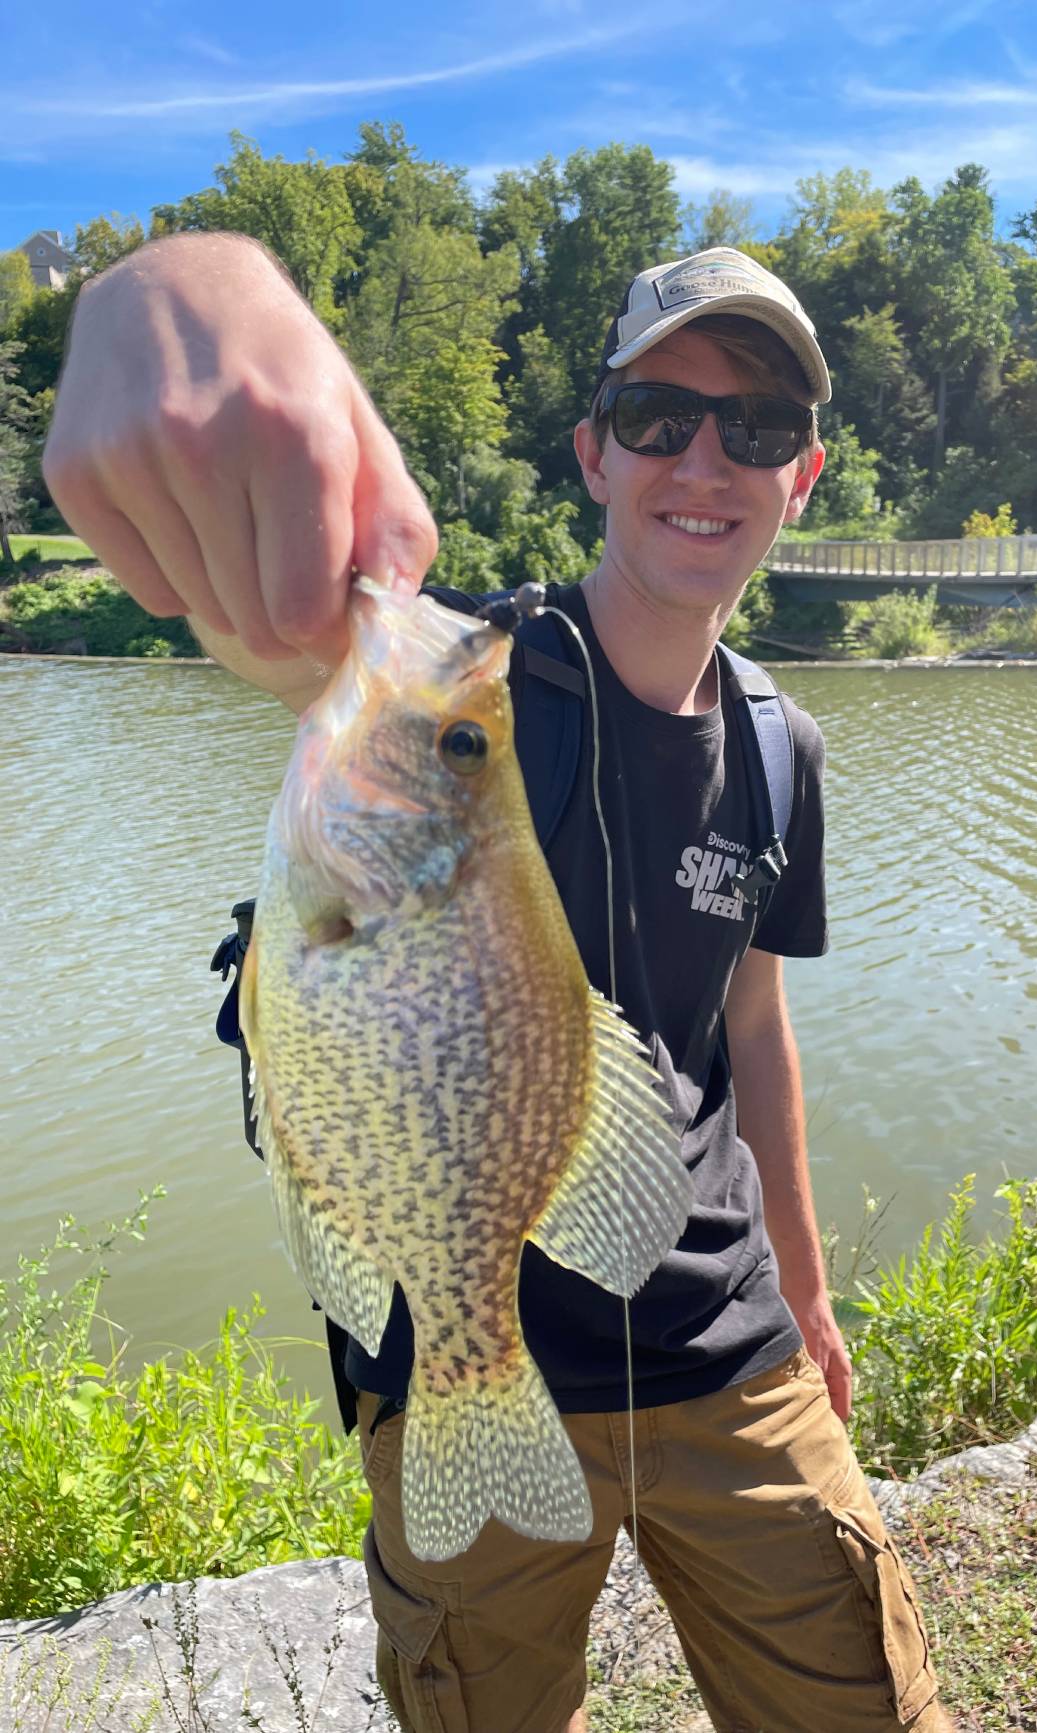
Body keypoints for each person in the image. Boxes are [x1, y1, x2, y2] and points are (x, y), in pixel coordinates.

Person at [46, 237, 954, 1733]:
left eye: (759, 427)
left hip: (726, 1348)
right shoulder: (463, 677)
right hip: (459, 1336)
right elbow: (299, 631)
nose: (705, 458)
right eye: (660, 416)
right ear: (594, 452)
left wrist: (805, 1280)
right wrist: (164, 299)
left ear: (804, 476)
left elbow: (751, 1027)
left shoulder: (788, 747)